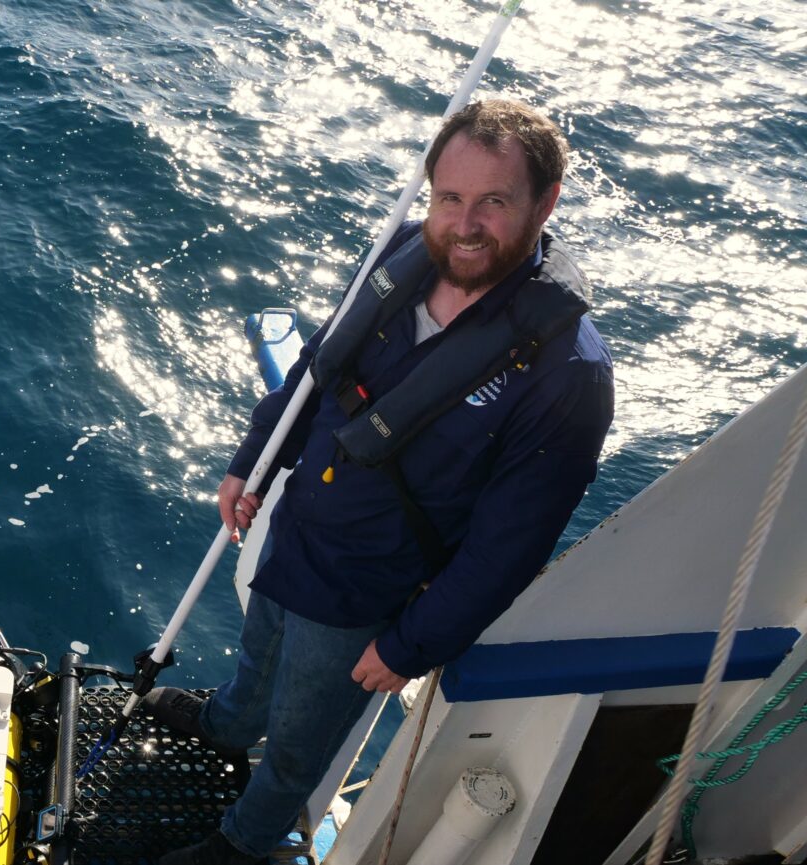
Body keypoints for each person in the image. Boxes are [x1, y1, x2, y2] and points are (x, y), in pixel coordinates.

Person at [146, 99, 616, 864]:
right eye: (450, 198)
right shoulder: (402, 251)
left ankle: (243, 841)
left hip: (364, 593)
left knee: (301, 740)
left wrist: (409, 644)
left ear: (545, 203)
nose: (464, 224)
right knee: (256, 649)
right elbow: (317, 369)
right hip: (297, 524)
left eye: (493, 203)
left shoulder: (568, 374)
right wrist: (254, 457)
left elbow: (508, 547)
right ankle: (229, 722)